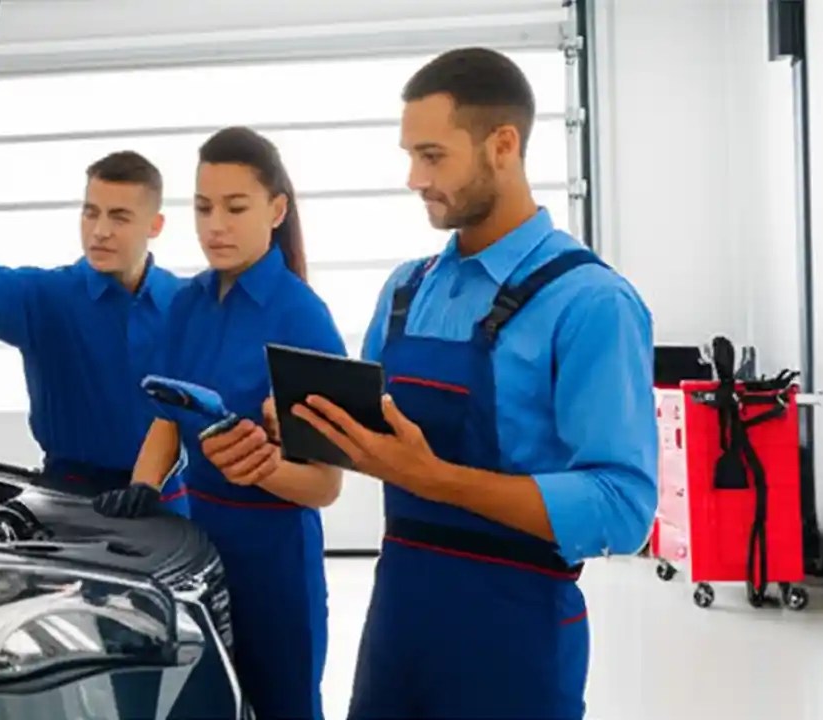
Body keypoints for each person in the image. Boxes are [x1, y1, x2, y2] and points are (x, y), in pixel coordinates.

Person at [282, 48, 659, 719]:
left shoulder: (591, 304)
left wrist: (436, 479)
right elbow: (376, 437)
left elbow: (623, 508)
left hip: (514, 633)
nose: (412, 177)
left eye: (432, 155)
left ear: (502, 146)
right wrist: (293, 423)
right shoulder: (407, 288)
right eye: (409, 155)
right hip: (399, 621)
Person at [93, 126, 345, 720]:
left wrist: (264, 469)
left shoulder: (303, 317)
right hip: (200, 548)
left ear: (276, 210)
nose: (216, 226)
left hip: (276, 558)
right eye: (204, 208)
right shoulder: (187, 303)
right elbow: (167, 414)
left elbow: (325, 486)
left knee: (281, 705)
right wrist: (145, 487)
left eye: (236, 208)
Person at [0, 151, 189, 515]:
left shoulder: (191, 307)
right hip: (70, 505)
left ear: (155, 226)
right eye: (90, 212)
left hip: (168, 505)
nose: (100, 230)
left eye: (119, 217)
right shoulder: (49, 297)